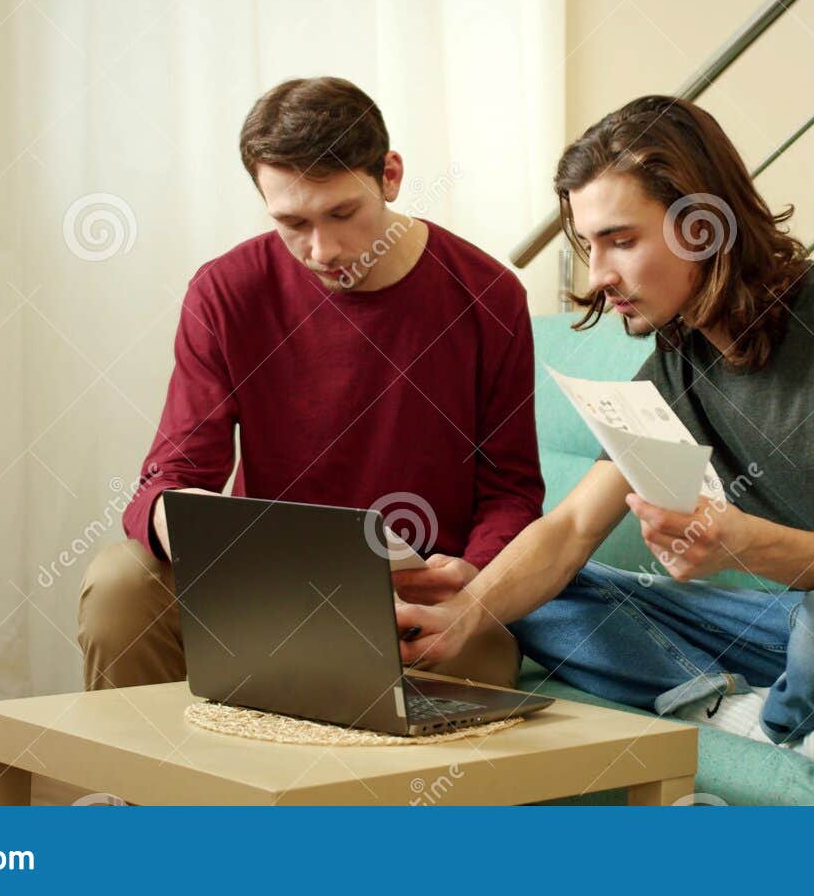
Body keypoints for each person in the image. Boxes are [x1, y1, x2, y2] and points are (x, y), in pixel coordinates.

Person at [394, 95, 814, 769]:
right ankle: (759, 712)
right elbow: (569, 532)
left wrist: (746, 545)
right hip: (802, 628)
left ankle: (785, 708)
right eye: (588, 245)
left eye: (622, 241)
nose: (598, 276)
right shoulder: (677, 361)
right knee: (532, 591)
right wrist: (468, 610)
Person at [77, 77, 543, 692]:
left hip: (411, 600)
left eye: (343, 213)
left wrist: (473, 575)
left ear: (391, 176)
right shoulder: (227, 292)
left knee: (477, 653)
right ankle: (150, 788)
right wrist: (179, 521)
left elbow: (511, 491)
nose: (323, 249)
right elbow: (170, 478)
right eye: (292, 222)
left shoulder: (488, 295)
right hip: (264, 590)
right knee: (120, 584)